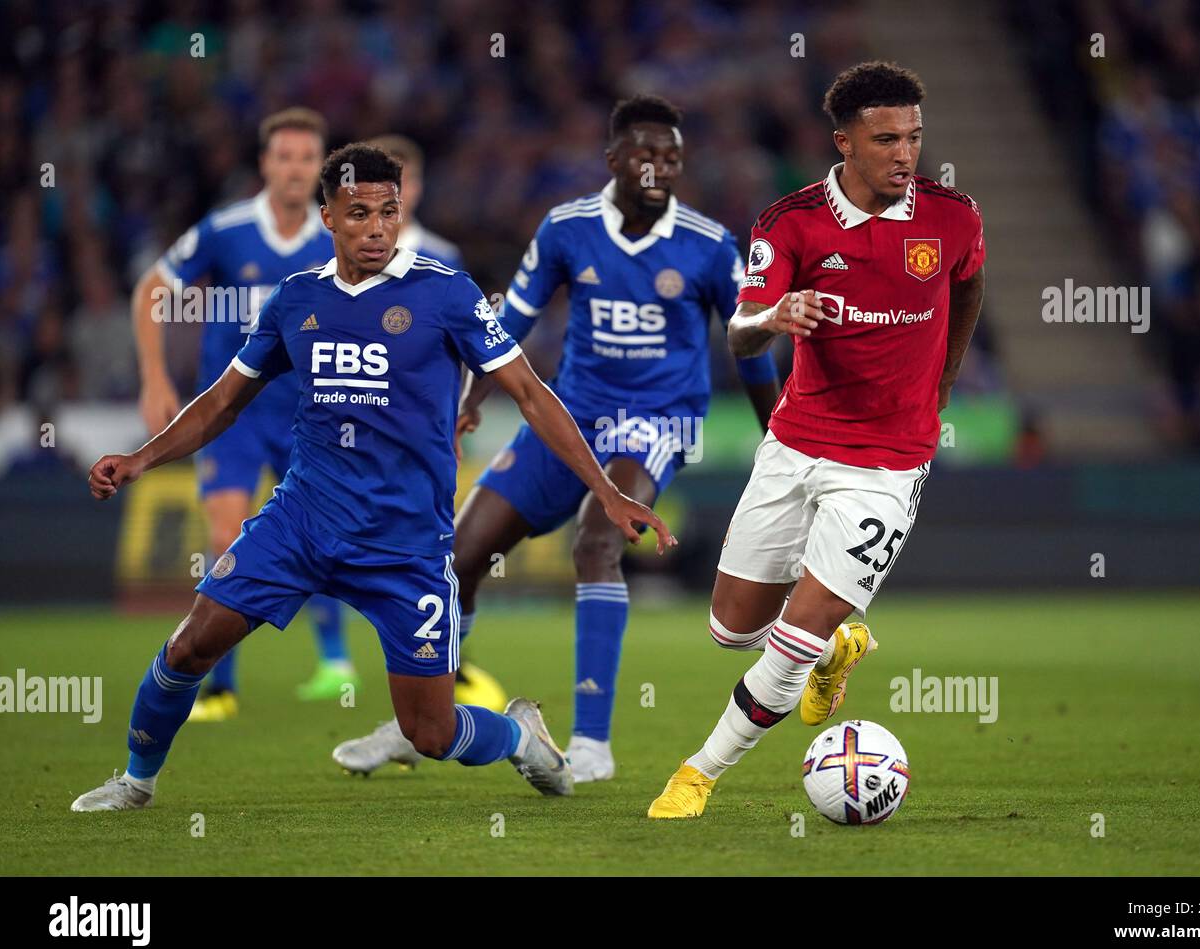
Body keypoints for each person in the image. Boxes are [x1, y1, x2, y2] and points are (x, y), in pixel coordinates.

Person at [71, 143, 673, 812]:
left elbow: (532, 394)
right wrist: (139, 460)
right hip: (301, 522)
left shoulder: (445, 294)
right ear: (327, 216)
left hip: (405, 544)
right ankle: (136, 781)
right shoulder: (294, 301)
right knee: (188, 646)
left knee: (432, 731)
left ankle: (521, 737)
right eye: (360, 214)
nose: (378, 227)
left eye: (389, 212)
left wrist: (607, 489)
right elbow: (220, 403)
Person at [332, 95, 780, 783]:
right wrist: (469, 403)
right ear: (613, 161)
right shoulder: (568, 229)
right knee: (460, 553)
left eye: (671, 157)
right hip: (571, 414)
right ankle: (419, 716)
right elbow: (507, 319)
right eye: (644, 153)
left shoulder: (711, 244)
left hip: (658, 420)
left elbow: (747, 344)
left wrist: (776, 435)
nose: (658, 167)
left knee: (598, 541)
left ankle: (593, 743)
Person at [647, 61, 986, 818]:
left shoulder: (952, 217)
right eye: (887, 139)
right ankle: (839, 649)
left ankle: (696, 775)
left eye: (915, 137)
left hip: (888, 465)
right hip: (796, 445)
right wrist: (775, 317)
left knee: (792, 639)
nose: (906, 154)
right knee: (731, 630)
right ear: (844, 143)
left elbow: (967, 283)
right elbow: (736, 337)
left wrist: (944, 383)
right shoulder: (792, 222)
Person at [132, 107, 355, 720]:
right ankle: (221, 687)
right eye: (283, 157)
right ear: (265, 163)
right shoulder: (225, 230)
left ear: (321, 166)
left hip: (310, 415)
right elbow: (153, 287)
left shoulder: (336, 234)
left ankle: (334, 661)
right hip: (232, 414)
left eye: (306, 158)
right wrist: (154, 378)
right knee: (229, 537)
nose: (294, 169)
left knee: (323, 538)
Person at [365, 132, 507, 713]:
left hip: (423, 439)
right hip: (352, 435)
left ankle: (447, 670)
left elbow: (467, 344)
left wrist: (461, 410)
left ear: (414, 188)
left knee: (427, 556)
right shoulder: (332, 258)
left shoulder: (441, 260)